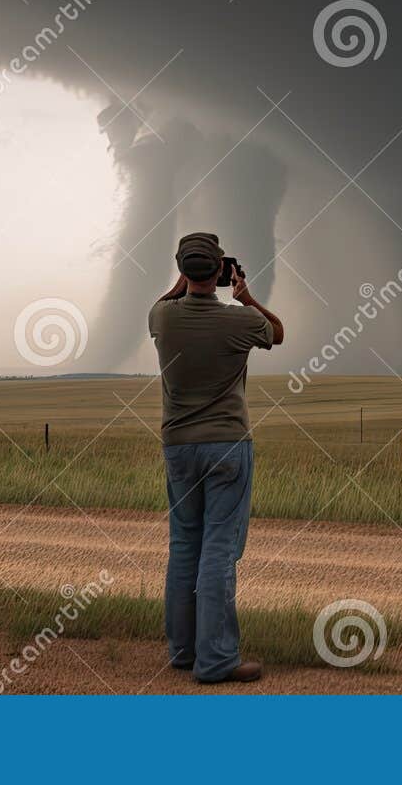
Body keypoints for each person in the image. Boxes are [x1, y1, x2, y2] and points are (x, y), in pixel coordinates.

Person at [148, 231, 285, 684]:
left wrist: (182, 280)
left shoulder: (162, 319)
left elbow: (166, 301)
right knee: (219, 551)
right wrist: (246, 296)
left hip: (178, 446)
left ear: (183, 270)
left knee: (184, 545)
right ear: (221, 271)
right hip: (227, 444)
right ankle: (217, 661)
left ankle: (183, 652)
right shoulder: (239, 322)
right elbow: (278, 333)